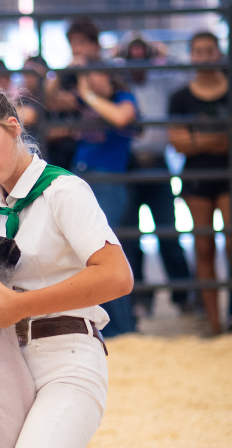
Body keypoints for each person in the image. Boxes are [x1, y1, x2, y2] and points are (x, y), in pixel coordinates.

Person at [0, 69, 131, 448]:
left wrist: (20, 307)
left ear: (13, 125)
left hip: (69, 363)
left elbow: (118, 276)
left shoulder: (65, 191)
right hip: (10, 375)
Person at [168, 31, 232, 335]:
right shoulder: (180, 97)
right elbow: (179, 143)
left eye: (210, 50)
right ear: (191, 55)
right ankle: (214, 324)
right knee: (204, 247)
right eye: (199, 51)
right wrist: (223, 136)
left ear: (218, 53)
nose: (205, 56)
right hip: (197, 178)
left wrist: (198, 138)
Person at [119, 35, 194, 316]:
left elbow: (187, 70)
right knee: (131, 237)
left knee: (168, 232)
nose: (138, 60)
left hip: (159, 162)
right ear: (124, 59)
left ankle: (183, 295)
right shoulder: (120, 83)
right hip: (129, 163)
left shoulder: (163, 79)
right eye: (132, 55)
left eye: (143, 54)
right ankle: (140, 298)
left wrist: (164, 50)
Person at [66, 63, 140, 336]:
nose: (88, 80)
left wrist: (88, 96)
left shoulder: (123, 99)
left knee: (107, 255)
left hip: (109, 180)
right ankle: (107, 326)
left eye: (94, 72)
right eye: (85, 74)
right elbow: (48, 100)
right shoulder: (81, 98)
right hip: (82, 178)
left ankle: (122, 327)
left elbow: (122, 118)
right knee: (85, 257)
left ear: (109, 75)